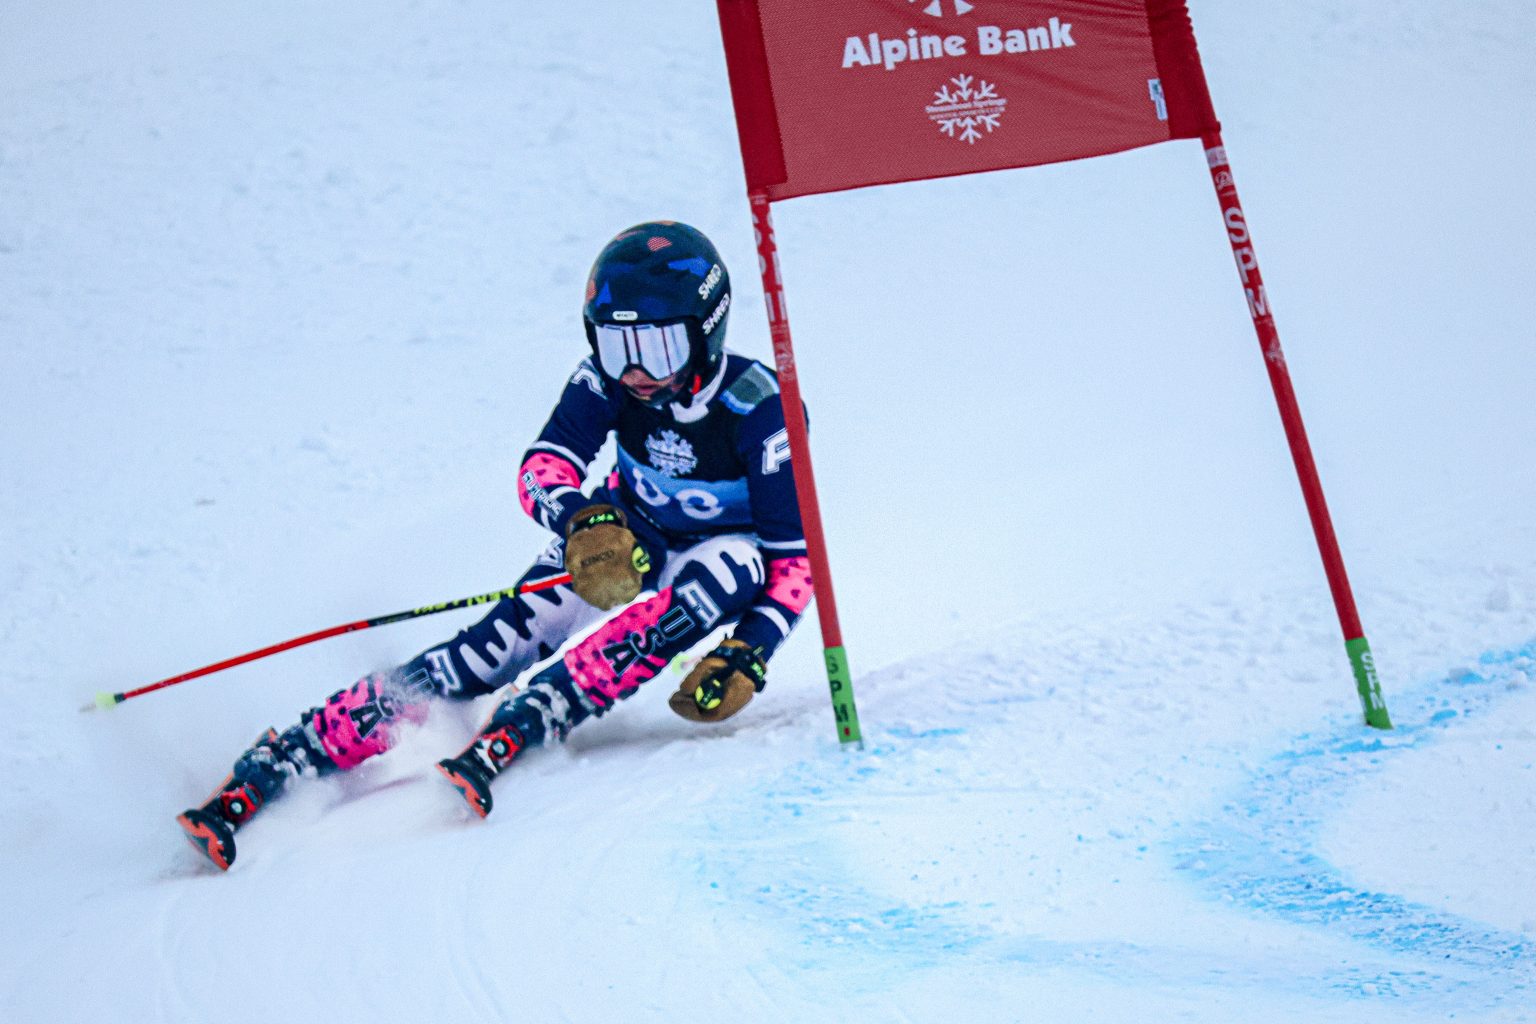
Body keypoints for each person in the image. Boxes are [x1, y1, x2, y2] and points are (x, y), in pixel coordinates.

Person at [177, 222, 814, 870]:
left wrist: (748, 652)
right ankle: (303, 747)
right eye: (619, 344)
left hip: (725, 555)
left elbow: (794, 561)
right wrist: (580, 523)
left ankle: (549, 703)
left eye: (659, 345)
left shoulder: (758, 411)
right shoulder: (604, 382)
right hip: (625, 534)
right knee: (488, 648)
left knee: (726, 571)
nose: (638, 371)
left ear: (707, 332)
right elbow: (543, 466)